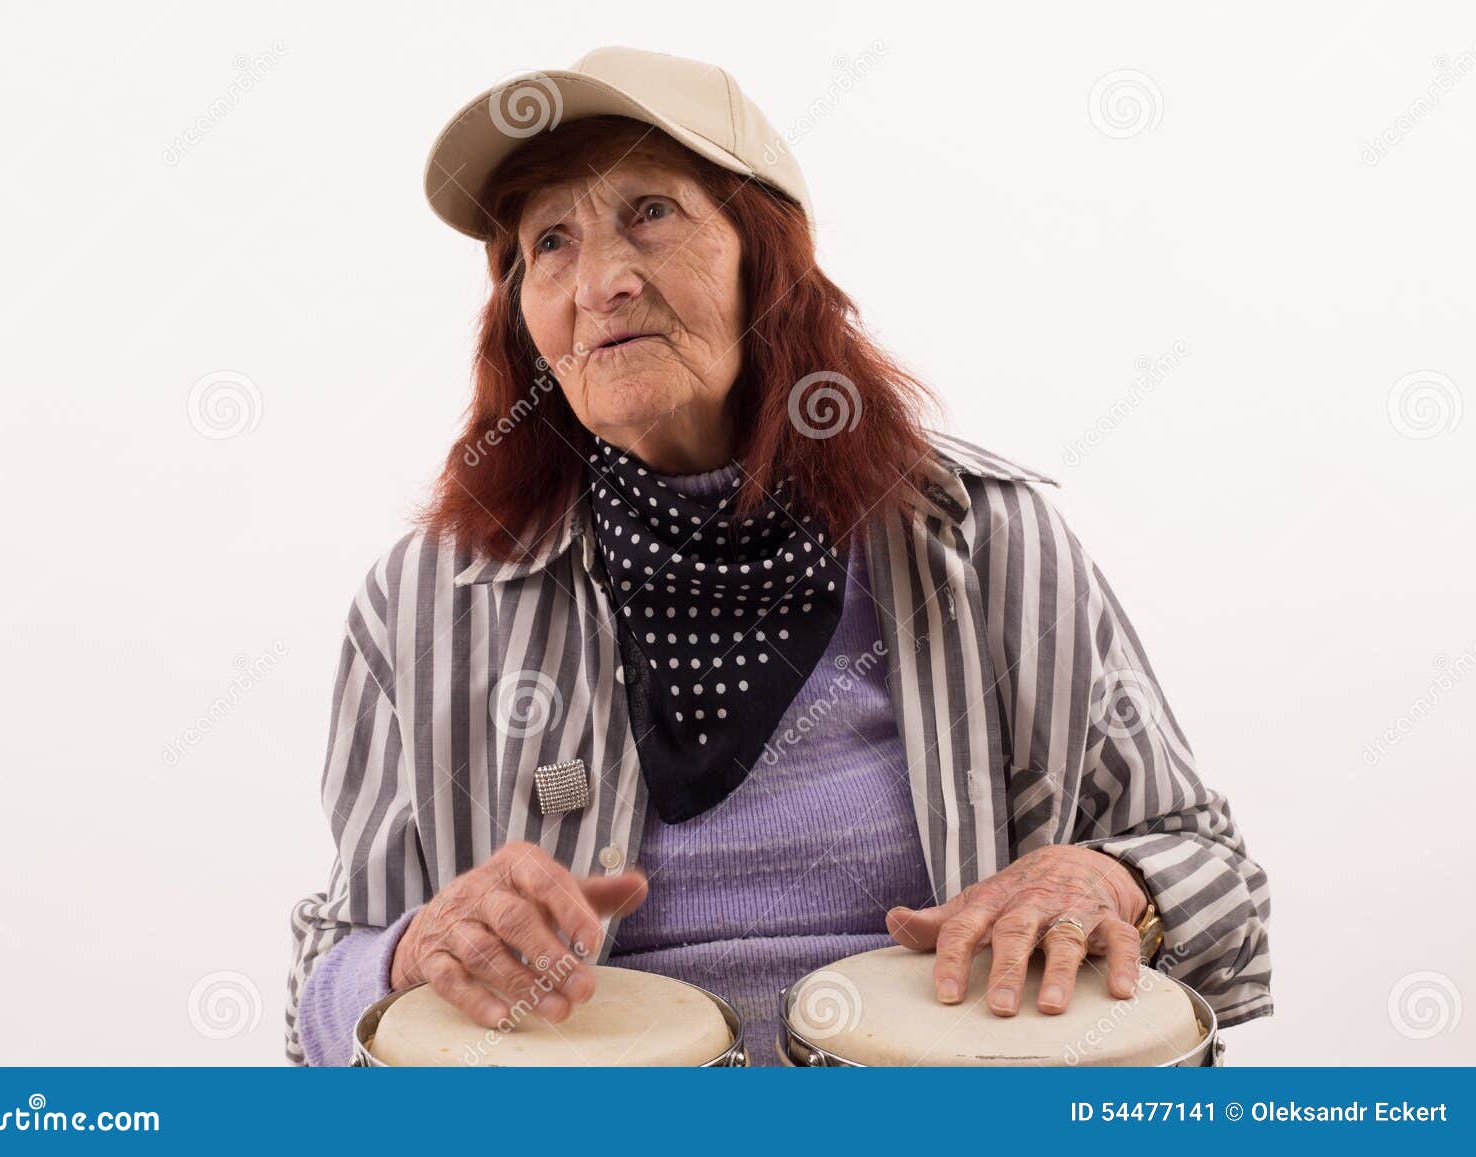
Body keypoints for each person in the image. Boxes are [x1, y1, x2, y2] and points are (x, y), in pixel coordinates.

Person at [285, 46, 1272, 1065]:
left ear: (767, 258)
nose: (602, 283)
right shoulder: (425, 604)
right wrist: (411, 949)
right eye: (550, 243)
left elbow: (1217, 876)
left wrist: (1110, 881)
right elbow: (317, 995)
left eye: (651, 212)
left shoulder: (986, 541)